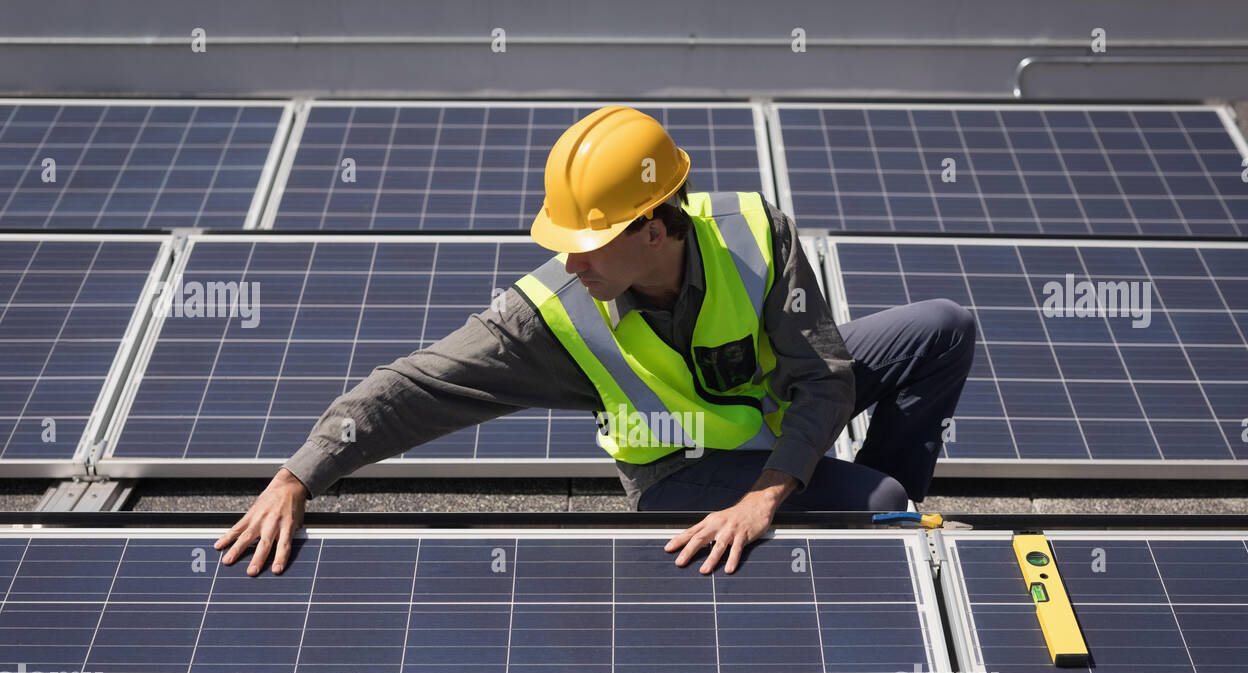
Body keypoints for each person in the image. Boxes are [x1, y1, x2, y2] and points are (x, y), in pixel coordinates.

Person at [215, 106, 975, 577]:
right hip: (681, 469)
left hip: (771, 418)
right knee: (880, 501)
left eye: (589, 243)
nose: (571, 263)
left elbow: (826, 377)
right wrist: (298, 477)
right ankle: (877, 521)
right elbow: (418, 386)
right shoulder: (554, 313)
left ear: (653, 228)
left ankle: (881, 549)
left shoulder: (757, 237)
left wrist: (768, 497)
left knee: (943, 329)